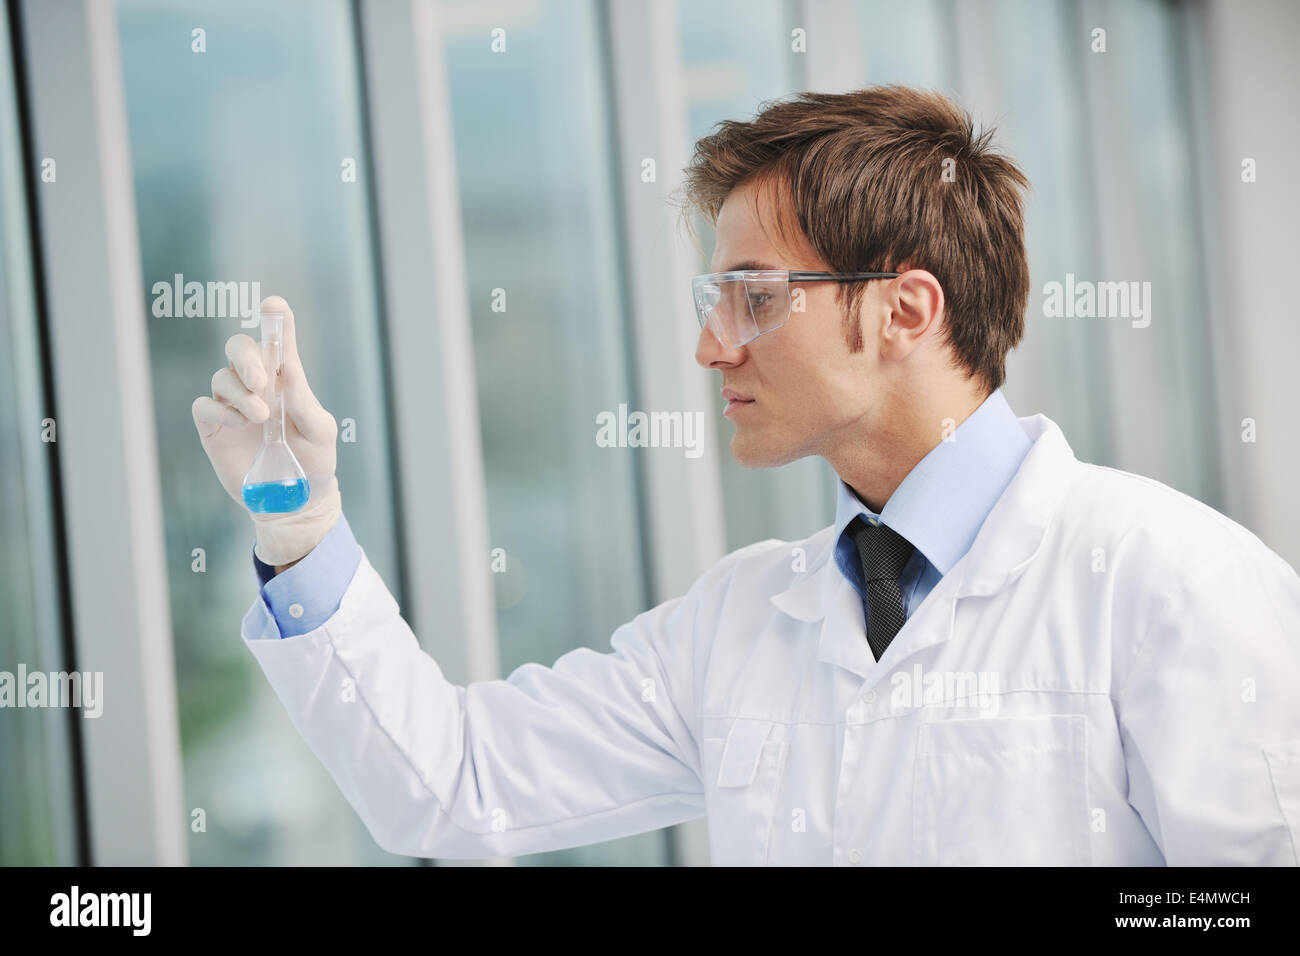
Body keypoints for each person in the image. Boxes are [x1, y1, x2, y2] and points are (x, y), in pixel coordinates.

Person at [192, 86, 1300, 865]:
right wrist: (299, 528)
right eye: (709, 301)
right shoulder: (739, 620)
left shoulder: (1168, 578)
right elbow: (450, 784)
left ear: (904, 307)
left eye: (755, 296)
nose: (712, 345)